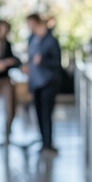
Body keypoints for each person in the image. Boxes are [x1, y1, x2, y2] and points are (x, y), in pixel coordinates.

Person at [26, 13, 63, 153]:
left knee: (47, 114)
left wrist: (43, 61)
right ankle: (43, 142)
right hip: (36, 83)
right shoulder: (32, 39)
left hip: (49, 82)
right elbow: (31, 60)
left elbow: (57, 63)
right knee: (39, 114)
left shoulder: (51, 41)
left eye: (31, 24)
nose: (30, 27)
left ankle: (48, 143)